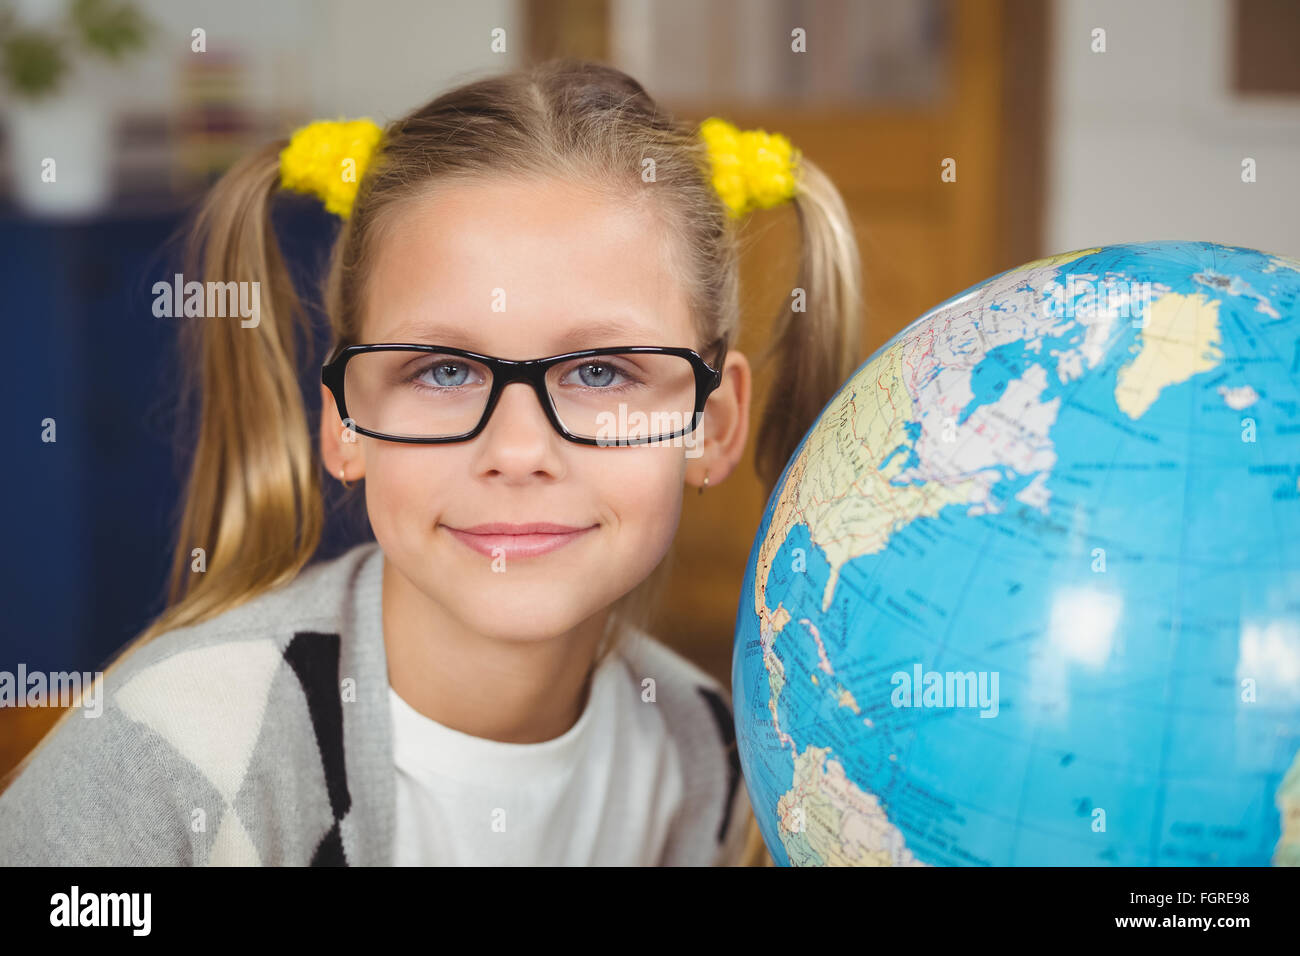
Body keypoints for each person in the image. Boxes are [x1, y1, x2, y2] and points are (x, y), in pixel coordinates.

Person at [0, 58, 861, 866]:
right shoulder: (174, 759)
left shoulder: (709, 758)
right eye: (443, 371)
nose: (518, 452)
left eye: (601, 371)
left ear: (709, 423)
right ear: (345, 421)